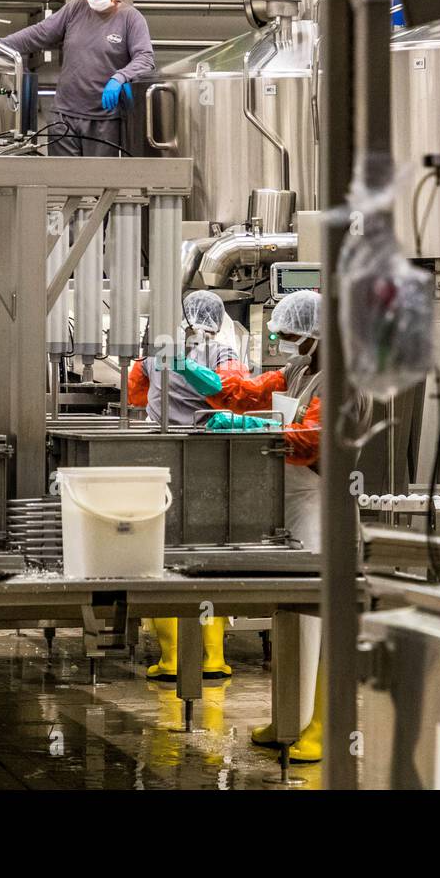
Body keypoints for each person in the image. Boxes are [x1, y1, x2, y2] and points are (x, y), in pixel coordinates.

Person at [205, 289, 329, 761]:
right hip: (293, 505)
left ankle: (323, 727)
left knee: (319, 621)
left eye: (292, 333)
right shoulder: (300, 370)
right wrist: (206, 377)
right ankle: (290, 718)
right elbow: (250, 392)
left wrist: (252, 428)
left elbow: (308, 442)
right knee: (291, 615)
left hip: (324, 506)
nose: (285, 341)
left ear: (316, 332)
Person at [129, 291, 250, 681]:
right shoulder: (221, 349)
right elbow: (235, 390)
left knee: (160, 555)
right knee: (207, 554)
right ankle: (212, 656)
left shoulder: (156, 351)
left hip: (158, 456)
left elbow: (134, 394)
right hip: (208, 460)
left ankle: (171, 658)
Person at [0, 0, 154, 156]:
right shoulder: (75, 10)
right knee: (64, 181)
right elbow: (39, 33)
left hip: (104, 119)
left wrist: (120, 77)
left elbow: (145, 58)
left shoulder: (131, 18)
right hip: (64, 116)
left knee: (98, 180)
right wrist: (0, 46)